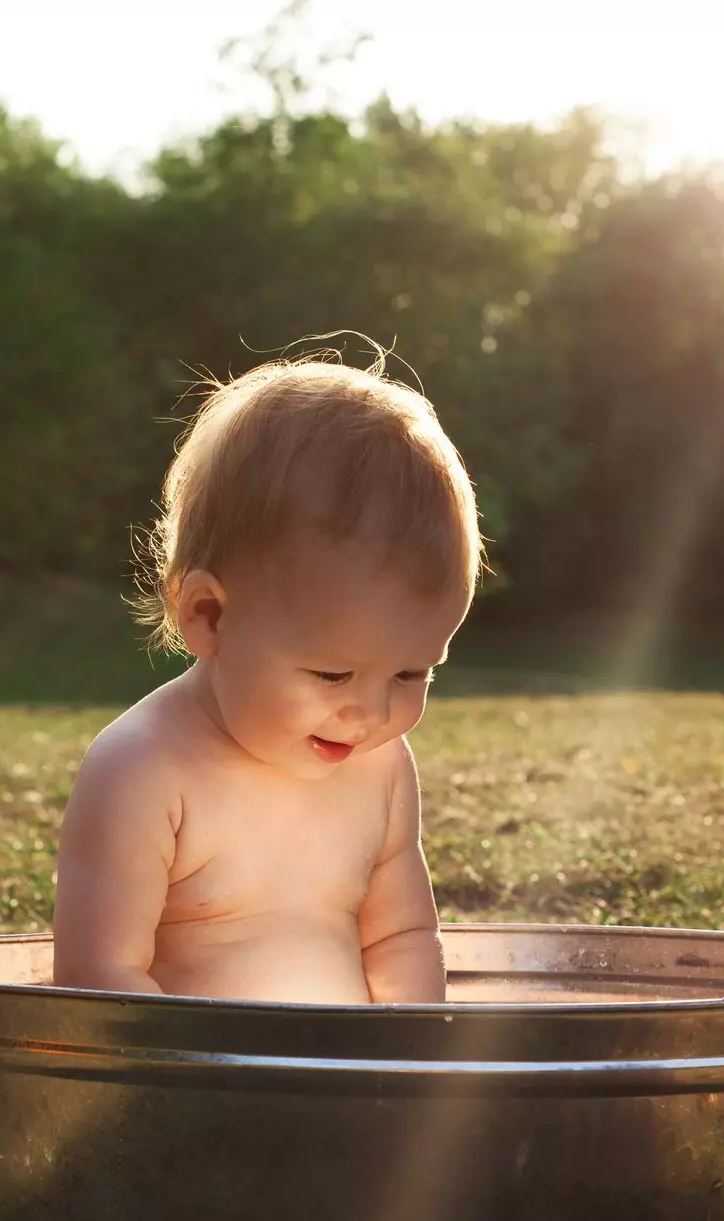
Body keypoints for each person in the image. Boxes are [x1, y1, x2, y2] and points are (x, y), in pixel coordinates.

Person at [50, 356, 482, 1004]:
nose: (369, 713)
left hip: (347, 1089)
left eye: (412, 672)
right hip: (192, 1089)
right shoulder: (143, 770)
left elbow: (402, 936)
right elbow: (100, 982)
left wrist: (413, 1061)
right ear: (208, 616)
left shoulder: (379, 767)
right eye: (333, 673)